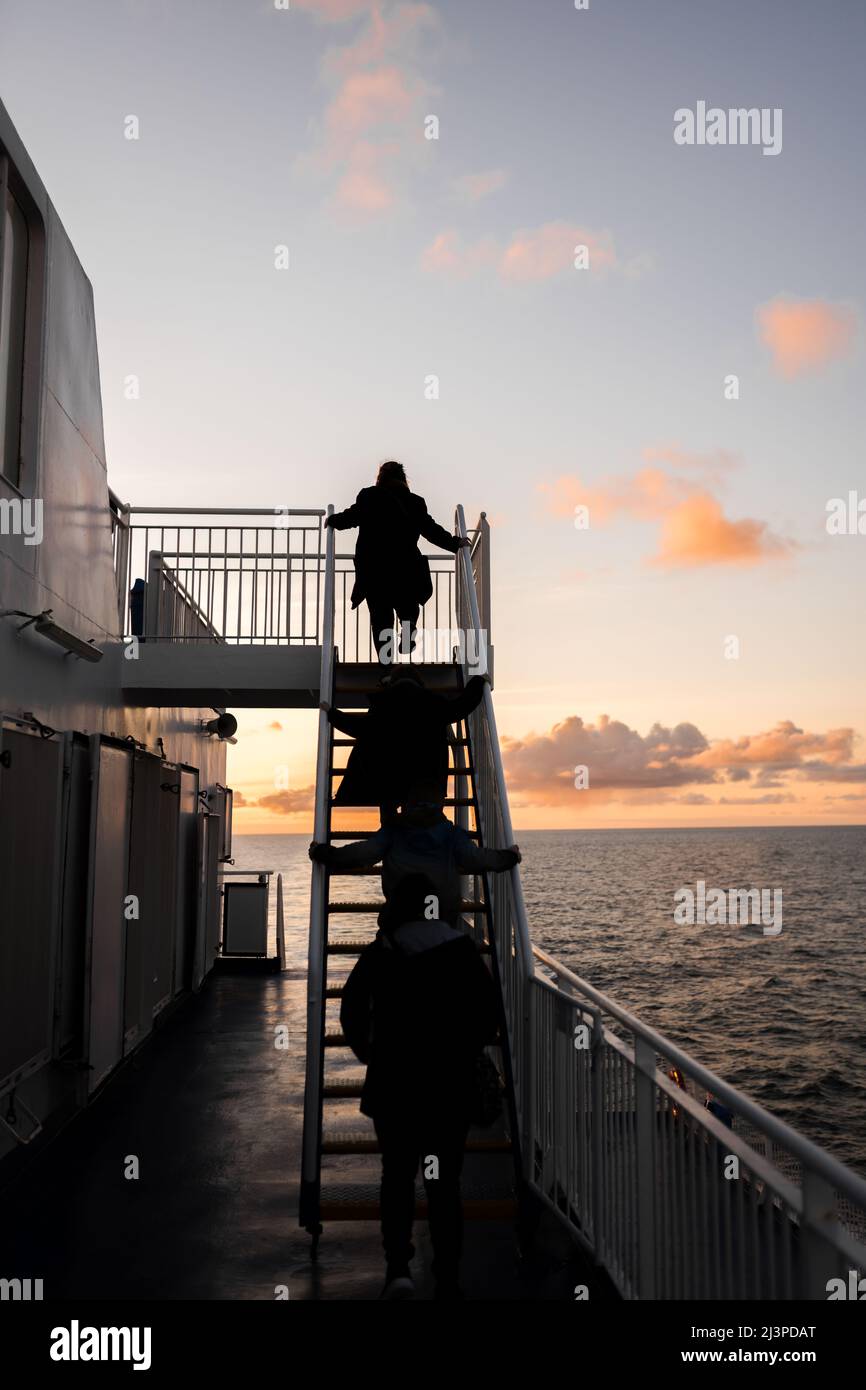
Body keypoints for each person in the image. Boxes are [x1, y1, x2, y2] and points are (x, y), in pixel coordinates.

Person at [339, 873, 500, 1300]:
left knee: (397, 1178)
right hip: (449, 1088)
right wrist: (461, 1047)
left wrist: (372, 1055)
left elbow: (351, 1012)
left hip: (394, 1088)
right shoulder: (461, 951)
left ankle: (399, 1271)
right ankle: (447, 1278)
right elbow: (488, 1017)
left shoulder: (382, 952)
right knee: (444, 1185)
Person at [325, 460, 470, 662]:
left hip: (375, 571)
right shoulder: (415, 502)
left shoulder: (369, 496)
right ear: (403, 478)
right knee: (408, 607)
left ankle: (387, 667)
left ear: (380, 478)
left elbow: (351, 517)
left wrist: (332, 520)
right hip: (406, 568)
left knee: (381, 620)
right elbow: (431, 530)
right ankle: (408, 628)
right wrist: (456, 543)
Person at [310, 802, 520, 927]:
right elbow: (476, 858)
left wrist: (324, 852)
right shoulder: (450, 834)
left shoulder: (394, 832)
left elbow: (362, 854)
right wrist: (509, 857)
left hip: (402, 914)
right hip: (440, 916)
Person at [328, 668, 488, 820]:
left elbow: (359, 727)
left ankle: (390, 841)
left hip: (389, 776)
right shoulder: (433, 703)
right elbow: (462, 706)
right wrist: (478, 682)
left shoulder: (383, 704)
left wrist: (331, 713)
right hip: (425, 776)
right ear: (419, 682)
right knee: (422, 822)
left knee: (389, 816)